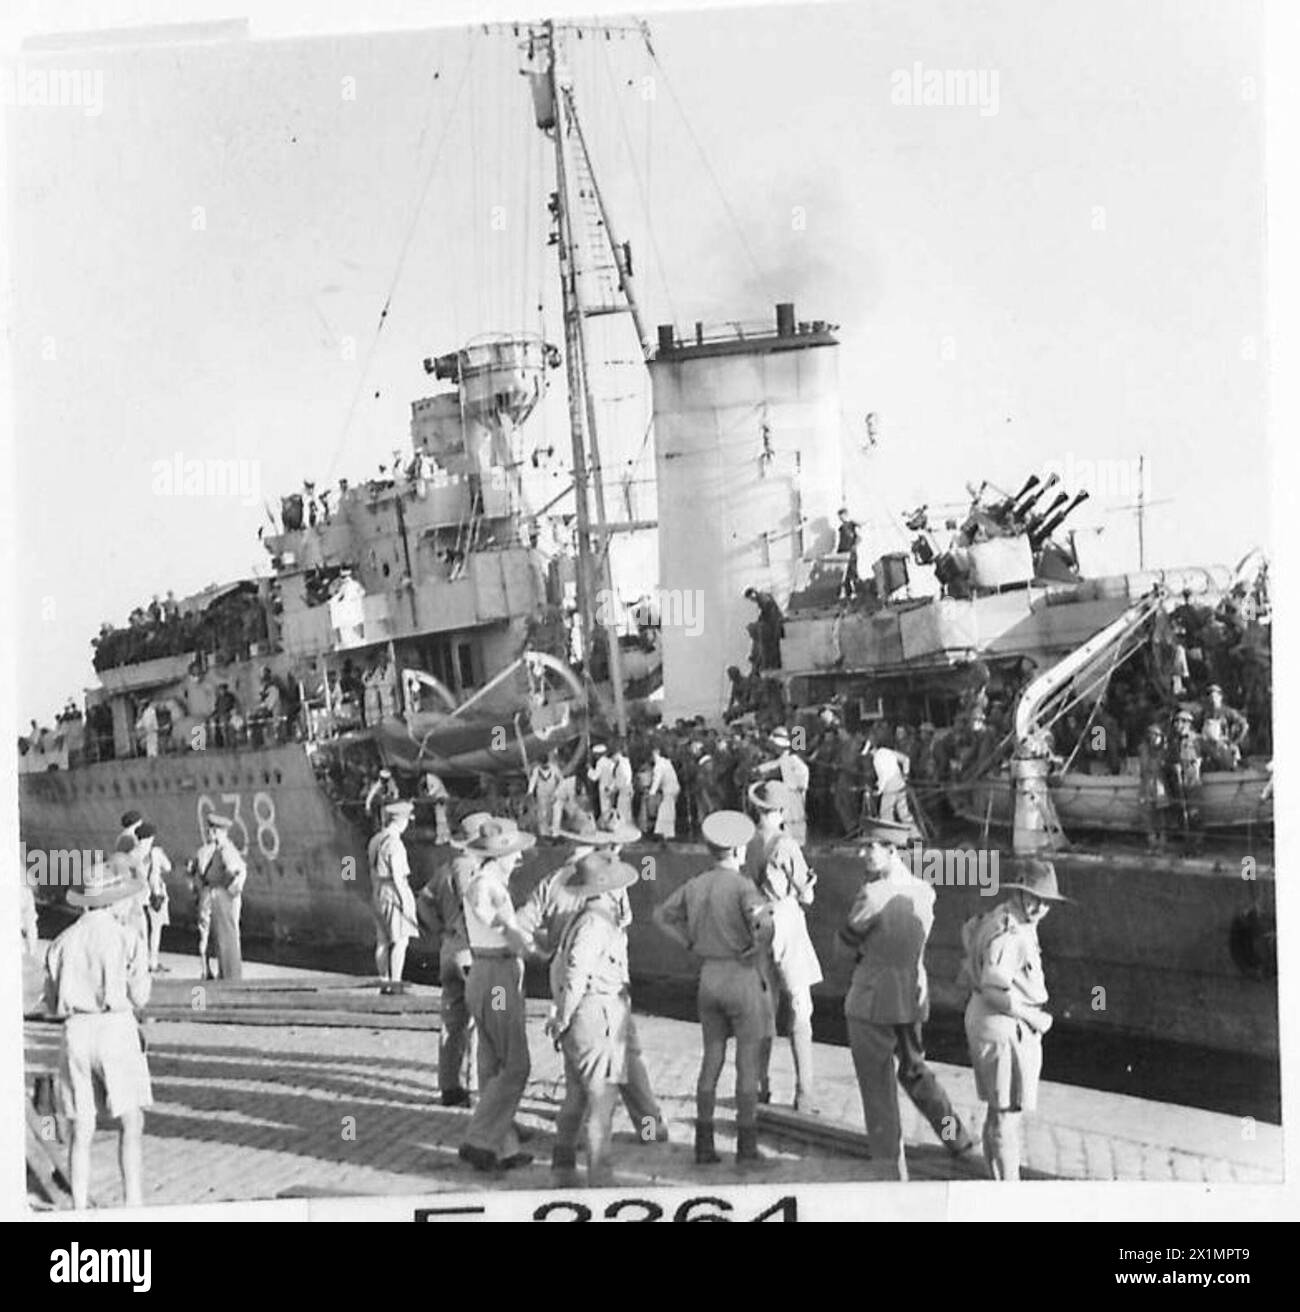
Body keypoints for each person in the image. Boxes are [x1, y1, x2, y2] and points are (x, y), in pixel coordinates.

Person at [517, 815, 668, 1146]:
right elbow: (621, 928)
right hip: (608, 988)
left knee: (581, 1074)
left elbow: (520, 925)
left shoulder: (552, 882)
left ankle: (574, 1142)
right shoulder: (610, 876)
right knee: (627, 1061)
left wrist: (544, 952)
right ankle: (645, 1129)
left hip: (572, 989)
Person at [838, 822, 973, 1179]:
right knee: (916, 1071)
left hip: (872, 1000)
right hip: (912, 996)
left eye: (870, 847)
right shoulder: (924, 891)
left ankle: (889, 1171)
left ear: (892, 850)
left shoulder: (872, 895)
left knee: (877, 1088)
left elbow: (844, 944)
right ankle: (957, 1140)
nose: (862, 854)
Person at [653, 810, 774, 1166]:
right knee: (747, 1062)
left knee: (712, 1059)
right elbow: (763, 924)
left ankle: (703, 1145)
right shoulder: (744, 886)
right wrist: (758, 946)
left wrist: (689, 942)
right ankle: (746, 1146)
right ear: (738, 850)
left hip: (708, 976)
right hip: (741, 974)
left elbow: (661, 916)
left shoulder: (696, 885)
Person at [43, 852, 153, 1209]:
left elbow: (49, 1001)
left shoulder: (60, 942)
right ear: (113, 900)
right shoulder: (126, 937)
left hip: (75, 1031)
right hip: (114, 1028)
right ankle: (132, 1205)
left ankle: (77, 1208)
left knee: (81, 1126)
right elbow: (140, 995)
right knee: (131, 1121)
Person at [959, 858, 1071, 1181]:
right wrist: (1033, 1017)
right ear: (1020, 893)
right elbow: (995, 989)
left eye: (1046, 903)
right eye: (1034, 899)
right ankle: (1009, 1196)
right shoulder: (1012, 932)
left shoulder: (1002, 917)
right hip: (1004, 1024)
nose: (1039, 908)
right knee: (1007, 1118)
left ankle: (998, 1184)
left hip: (991, 1021)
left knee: (998, 1112)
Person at [546, 850, 642, 1187]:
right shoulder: (596, 924)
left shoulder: (581, 917)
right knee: (601, 1103)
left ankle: (563, 1160)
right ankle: (600, 1178)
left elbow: (559, 968)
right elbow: (576, 973)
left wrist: (561, 1012)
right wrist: (564, 1015)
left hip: (583, 1015)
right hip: (597, 1014)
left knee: (576, 1094)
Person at [458, 820, 538, 1172]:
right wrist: (534, 947)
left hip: (482, 973)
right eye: (515, 851)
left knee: (491, 1063)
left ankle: (502, 1146)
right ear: (502, 855)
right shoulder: (488, 887)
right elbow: (500, 927)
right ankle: (479, 1139)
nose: (519, 856)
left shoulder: (482, 882)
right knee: (517, 1064)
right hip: (499, 980)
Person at [745, 781, 822, 1113]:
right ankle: (804, 1093)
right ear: (778, 813)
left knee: (765, 1008)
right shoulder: (787, 845)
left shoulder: (748, 843)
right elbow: (807, 895)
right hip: (786, 920)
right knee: (800, 1004)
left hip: (757, 920)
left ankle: (759, 1087)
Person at [417, 812, 494, 1106]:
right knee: (482, 1019)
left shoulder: (445, 867)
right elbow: (473, 906)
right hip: (470, 951)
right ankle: (477, 1088)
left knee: (451, 1019)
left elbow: (423, 900)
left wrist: (439, 929)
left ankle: (449, 1087)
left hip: (449, 949)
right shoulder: (468, 868)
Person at [189, 814, 247, 981]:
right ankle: (229, 972)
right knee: (228, 934)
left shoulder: (209, 851)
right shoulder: (224, 850)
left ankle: (210, 970)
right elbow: (234, 872)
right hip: (220, 894)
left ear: (219, 832)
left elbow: (193, 875)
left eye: (213, 831)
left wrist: (201, 892)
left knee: (209, 934)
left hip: (210, 894)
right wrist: (229, 890)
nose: (211, 834)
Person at [368, 800, 417, 994]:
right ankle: (395, 983)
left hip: (378, 891)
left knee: (382, 941)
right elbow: (397, 875)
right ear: (400, 821)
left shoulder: (375, 840)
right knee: (400, 940)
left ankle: (384, 980)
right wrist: (405, 902)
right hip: (393, 892)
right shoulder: (395, 844)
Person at [756, 729, 809, 844]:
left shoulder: (793, 758)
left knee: (792, 819)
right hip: (786, 795)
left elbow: (802, 772)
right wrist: (760, 769)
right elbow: (774, 765)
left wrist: (796, 786)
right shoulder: (783, 757)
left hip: (793, 795)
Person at [134, 821, 172, 973]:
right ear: (151, 837)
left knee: (139, 931)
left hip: (137, 897)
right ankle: (153, 962)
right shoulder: (156, 852)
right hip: (155, 895)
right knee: (156, 930)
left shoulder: (132, 854)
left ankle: (138, 961)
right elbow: (168, 867)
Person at [647, 742, 681, 842]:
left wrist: (651, 793)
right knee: (666, 811)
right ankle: (663, 833)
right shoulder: (666, 762)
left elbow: (656, 780)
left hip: (669, 790)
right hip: (672, 789)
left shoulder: (659, 765)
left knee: (666, 811)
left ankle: (665, 833)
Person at [527, 749, 564, 838]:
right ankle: (544, 834)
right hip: (542, 796)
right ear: (539, 763)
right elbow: (533, 781)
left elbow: (561, 781)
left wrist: (557, 792)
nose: (544, 766)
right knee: (543, 815)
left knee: (556, 814)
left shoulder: (554, 768)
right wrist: (530, 792)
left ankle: (555, 834)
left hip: (554, 794)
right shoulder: (536, 770)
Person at [836, 507, 861, 600]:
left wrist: (853, 547)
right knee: (845, 574)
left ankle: (859, 592)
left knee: (853, 572)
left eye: (842, 516)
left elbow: (858, 537)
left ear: (846, 515)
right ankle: (848, 594)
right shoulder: (842, 528)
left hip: (851, 552)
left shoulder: (852, 525)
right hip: (843, 552)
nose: (840, 518)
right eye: (839, 517)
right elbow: (841, 541)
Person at [422, 768, 452, 844]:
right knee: (440, 820)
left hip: (441, 800)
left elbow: (434, 789)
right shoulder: (430, 779)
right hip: (439, 801)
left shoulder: (432, 779)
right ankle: (443, 837)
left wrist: (428, 794)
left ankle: (443, 837)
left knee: (441, 820)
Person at [587, 744, 615, 822]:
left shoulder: (600, 762)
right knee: (610, 807)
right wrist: (611, 786)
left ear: (597, 755)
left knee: (604, 808)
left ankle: (606, 823)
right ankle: (611, 822)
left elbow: (594, 777)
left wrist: (589, 768)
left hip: (603, 788)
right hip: (611, 787)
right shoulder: (610, 761)